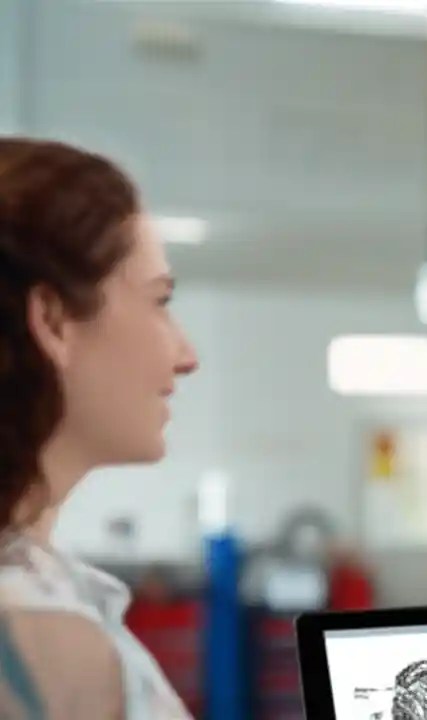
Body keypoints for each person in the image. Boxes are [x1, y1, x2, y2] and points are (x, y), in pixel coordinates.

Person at [0, 138, 200, 718]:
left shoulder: (49, 596)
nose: (186, 354)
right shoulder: (35, 643)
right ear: (55, 321)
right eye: (159, 300)